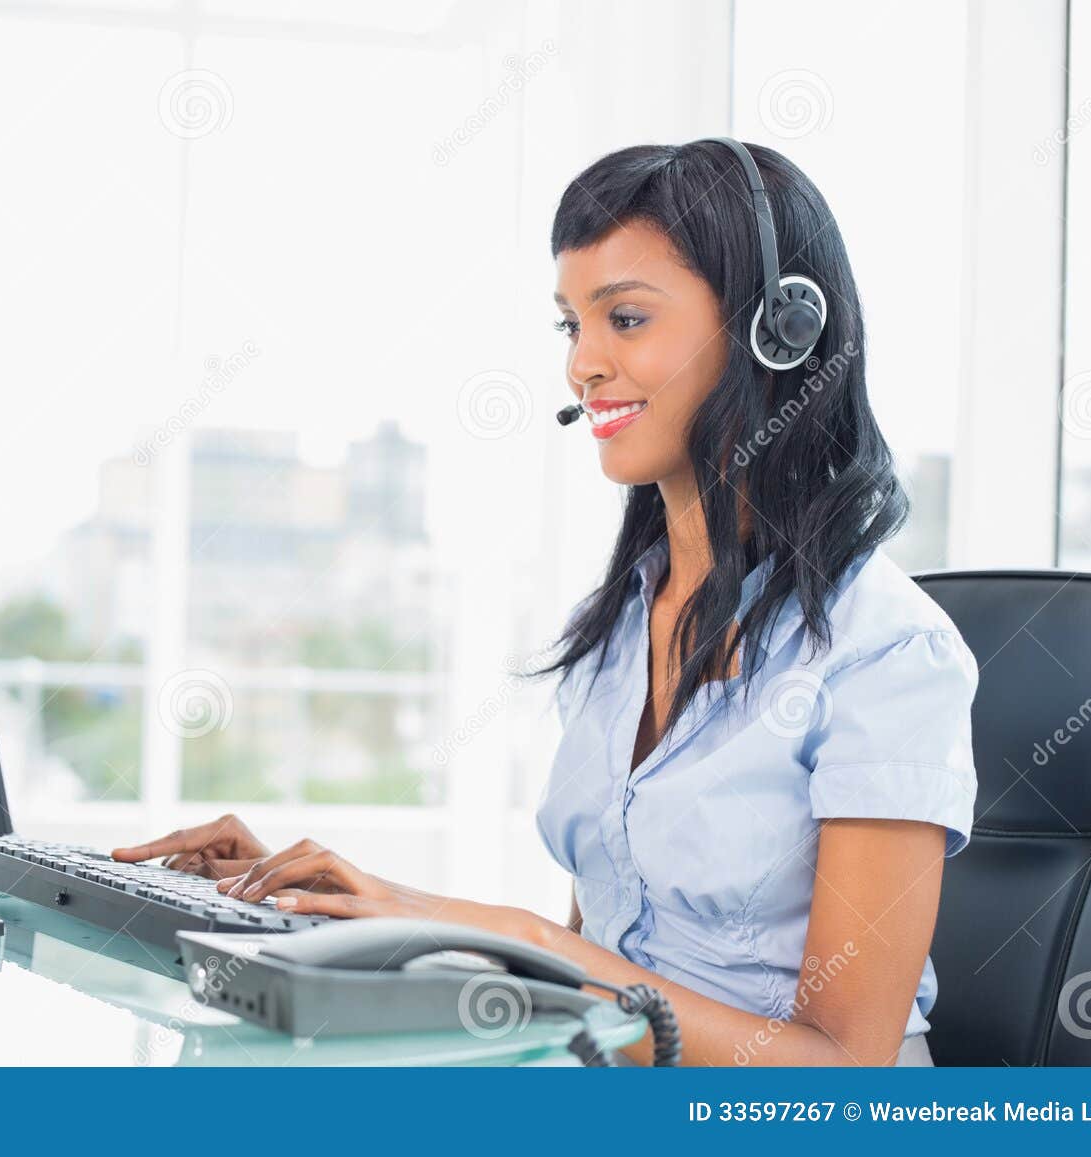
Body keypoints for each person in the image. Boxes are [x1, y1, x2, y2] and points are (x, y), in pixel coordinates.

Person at [114, 140, 977, 1067]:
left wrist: (514, 940)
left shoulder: (886, 655)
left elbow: (845, 1068)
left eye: (628, 318)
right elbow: (605, 968)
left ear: (778, 331)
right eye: (572, 325)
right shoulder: (615, 628)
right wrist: (346, 903)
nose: (585, 365)